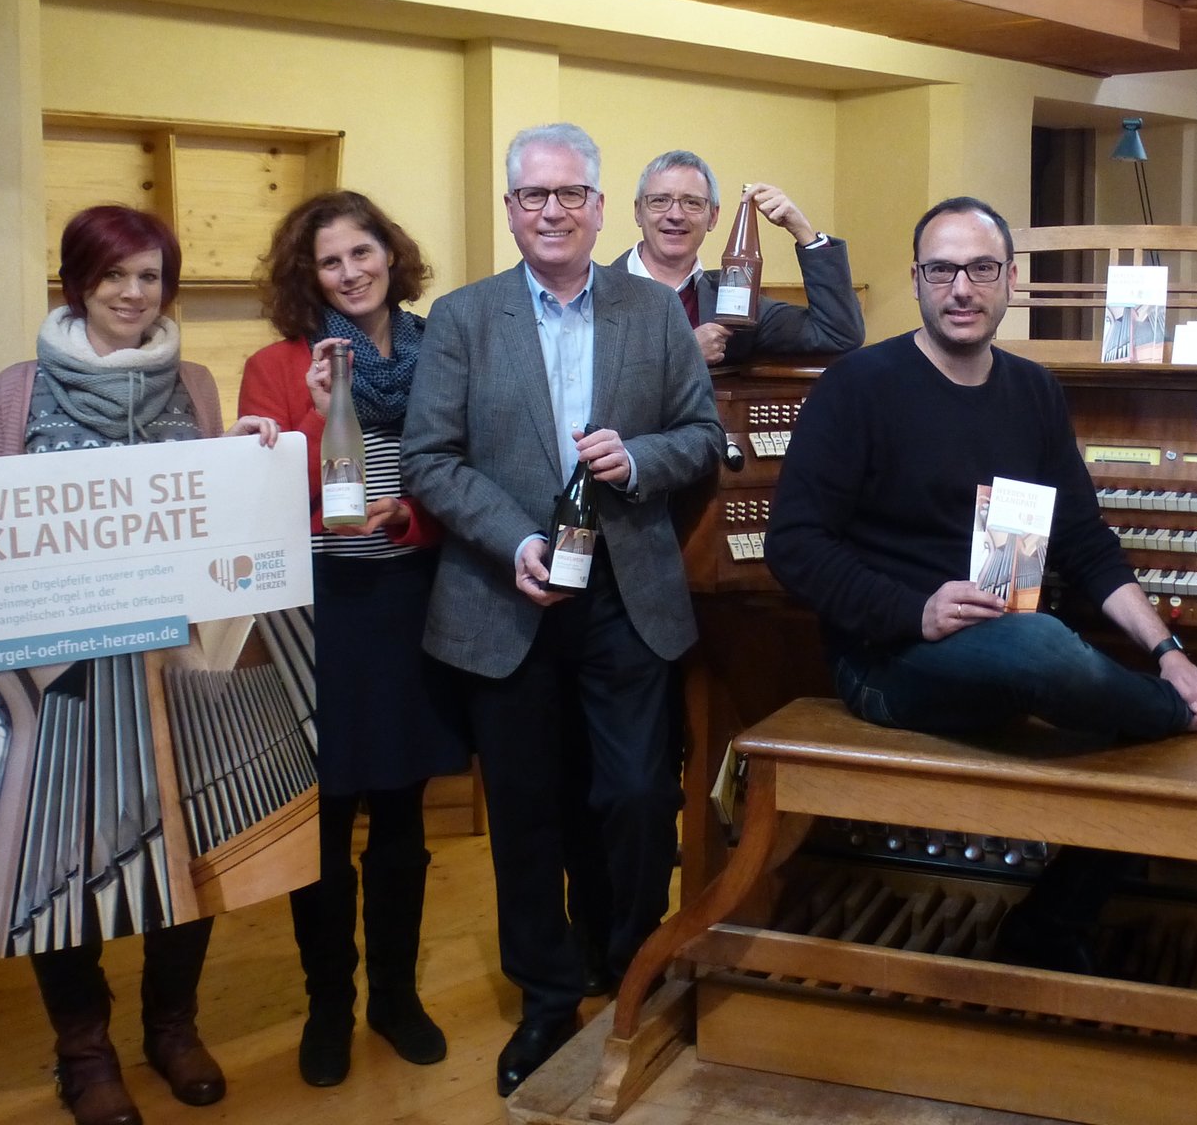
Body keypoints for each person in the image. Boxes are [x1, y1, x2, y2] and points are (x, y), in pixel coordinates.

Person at [763, 196, 1197, 967]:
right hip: (889, 662)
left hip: (1005, 646)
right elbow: (793, 544)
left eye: (981, 269)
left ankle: (1055, 918)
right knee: (1042, 645)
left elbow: (1083, 541)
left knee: (1106, 711)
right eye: (942, 270)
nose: (961, 288)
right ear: (918, 279)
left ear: (1010, 280)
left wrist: (1169, 652)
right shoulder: (858, 385)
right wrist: (915, 610)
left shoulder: (1033, 390)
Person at [0, 205, 280, 1125]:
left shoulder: (194, 383)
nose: (132, 293)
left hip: (178, 661)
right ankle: (83, 1052)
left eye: (150, 276)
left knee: (189, 844)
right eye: (113, 274)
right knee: (62, 860)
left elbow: (212, 517)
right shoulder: (20, 386)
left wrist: (249, 461)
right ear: (78, 282)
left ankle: (172, 1027)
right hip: (64, 675)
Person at [402, 123, 723, 1096]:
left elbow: (701, 434)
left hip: (626, 595)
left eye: (570, 193)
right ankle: (546, 997)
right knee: (528, 814)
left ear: (597, 207)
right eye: (534, 195)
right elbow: (428, 459)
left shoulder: (652, 312)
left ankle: (629, 966)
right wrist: (514, 541)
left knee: (637, 798)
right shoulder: (463, 318)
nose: (553, 210)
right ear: (511, 210)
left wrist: (640, 458)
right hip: (507, 601)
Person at [239, 192, 469, 1089]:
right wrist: (315, 409)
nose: (350, 273)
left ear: (389, 254)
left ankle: (396, 999)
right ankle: (328, 1005)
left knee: (402, 817)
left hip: (411, 601)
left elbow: (460, 471)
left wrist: (409, 516)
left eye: (362, 252)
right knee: (325, 820)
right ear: (310, 275)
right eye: (330, 261)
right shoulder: (276, 365)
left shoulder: (439, 352)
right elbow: (264, 500)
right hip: (317, 610)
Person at [616, 149, 863, 365]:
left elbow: (838, 334)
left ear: (713, 217)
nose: (676, 215)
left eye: (692, 203)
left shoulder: (733, 296)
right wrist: (686, 351)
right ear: (638, 212)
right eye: (660, 201)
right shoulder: (598, 290)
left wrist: (803, 232)